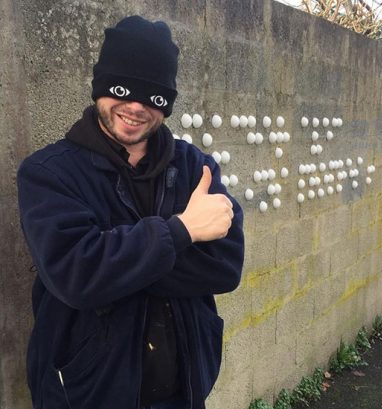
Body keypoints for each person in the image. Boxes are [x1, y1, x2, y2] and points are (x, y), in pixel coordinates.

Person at [17, 15, 245, 409]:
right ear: (99, 88)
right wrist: (182, 232)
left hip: (183, 389)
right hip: (87, 393)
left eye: (153, 97)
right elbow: (77, 276)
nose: (136, 107)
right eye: (122, 89)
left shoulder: (195, 168)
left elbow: (226, 266)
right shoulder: (48, 173)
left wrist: (119, 264)